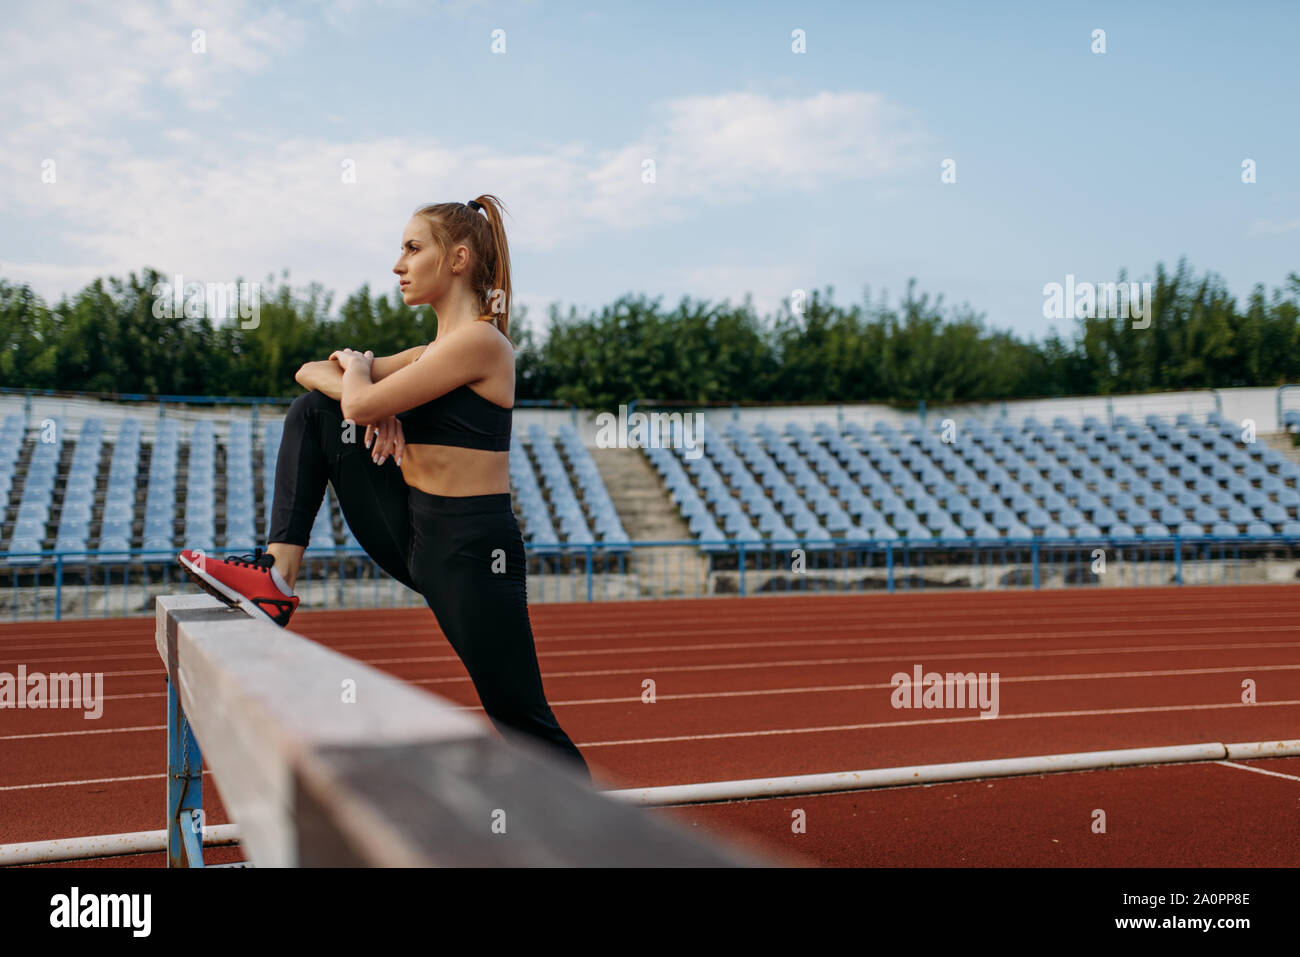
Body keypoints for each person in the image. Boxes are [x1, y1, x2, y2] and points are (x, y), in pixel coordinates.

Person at [178, 195, 590, 780]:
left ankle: (593, 840)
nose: (398, 264)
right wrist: (367, 396)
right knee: (315, 414)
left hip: (472, 553)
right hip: (411, 529)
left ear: (458, 259)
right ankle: (275, 580)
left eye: (412, 248)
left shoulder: (483, 343)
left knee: (521, 718)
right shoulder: (430, 353)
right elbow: (312, 375)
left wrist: (367, 393)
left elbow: (359, 393)